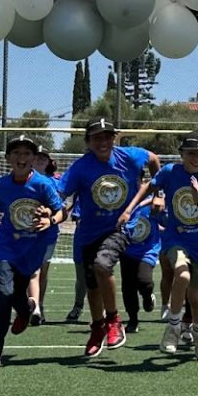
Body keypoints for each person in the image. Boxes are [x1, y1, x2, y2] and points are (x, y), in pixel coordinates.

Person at [57, 117, 161, 357]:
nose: (103, 142)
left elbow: (154, 159)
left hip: (122, 226)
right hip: (89, 232)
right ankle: (97, 327)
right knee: (92, 285)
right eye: (97, 137)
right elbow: (62, 194)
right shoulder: (81, 167)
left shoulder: (131, 156)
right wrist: (50, 214)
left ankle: (114, 320)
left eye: (107, 136)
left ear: (114, 138)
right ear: (88, 141)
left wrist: (159, 193)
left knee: (102, 265)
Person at [122, 133, 198, 358]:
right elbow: (148, 187)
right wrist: (130, 208)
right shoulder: (170, 172)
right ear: (182, 154)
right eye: (192, 154)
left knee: (196, 298)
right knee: (182, 274)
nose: (196, 159)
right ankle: (173, 328)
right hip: (175, 239)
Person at [0, 135, 63, 369]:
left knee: (17, 292)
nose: (21, 158)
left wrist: (51, 220)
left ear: (34, 158)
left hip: (33, 248)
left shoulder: (43, 185)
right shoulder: (2, 184)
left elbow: (61, 211)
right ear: (8, 158)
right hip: (7, 245)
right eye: (16, 153)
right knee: (2, 291)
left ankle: (25, 309)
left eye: (27, 154)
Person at [119, 196, 162, 334]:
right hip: (127, 250)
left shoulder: (153, 200)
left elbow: (162, 212)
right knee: (128, 287)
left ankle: (147, 296)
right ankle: (133, 320)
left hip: (147, 250)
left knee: (145, 281)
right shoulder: (124, 201)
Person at [29, 145, 58, 325]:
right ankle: (32, 306)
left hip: (48, 233)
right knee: (32, 270)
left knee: (42, 270)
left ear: (49, 161)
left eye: (44, 157)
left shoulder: (54, 181)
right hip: (26, 232)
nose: (40, 160)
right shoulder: (23, 178)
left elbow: (61, 206)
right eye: (37, 156)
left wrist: (51, 216)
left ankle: (39, 304)